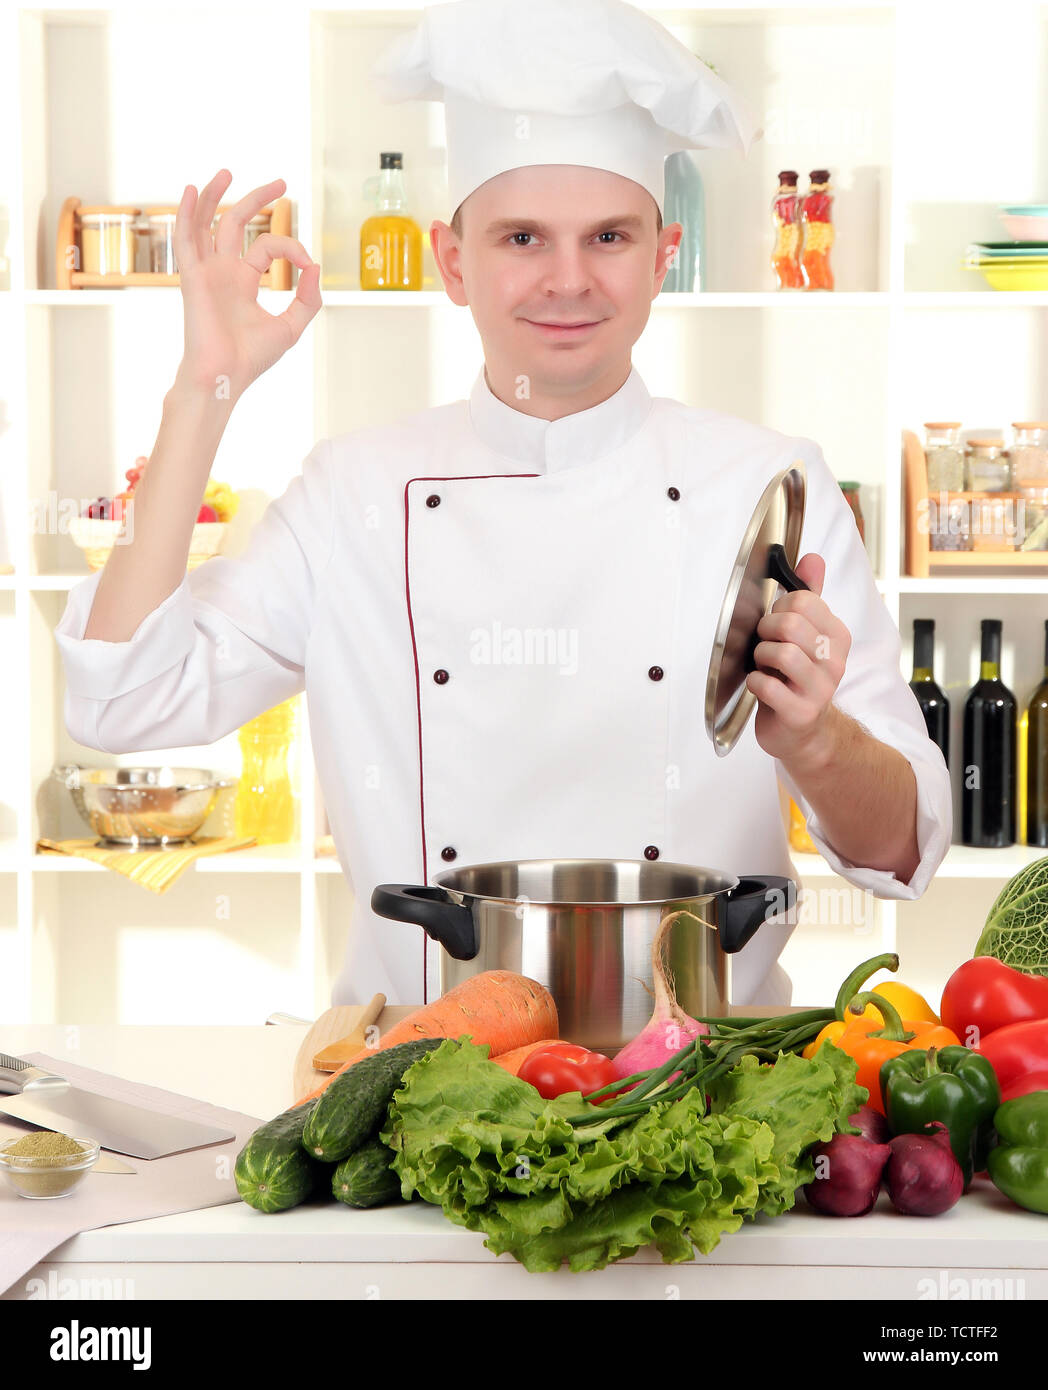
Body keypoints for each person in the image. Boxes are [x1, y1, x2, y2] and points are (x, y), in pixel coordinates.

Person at [55, 0, 951, 1009]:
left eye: (608, 236)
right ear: (451, 260)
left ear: (663, 256)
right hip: (422, 1087)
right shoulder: (352, 492)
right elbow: (118, 700)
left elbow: (902, 849)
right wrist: (203, 388)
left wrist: (818, 742)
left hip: (707, 1091)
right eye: (522, 236)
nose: (567, 279)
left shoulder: (767, 489)